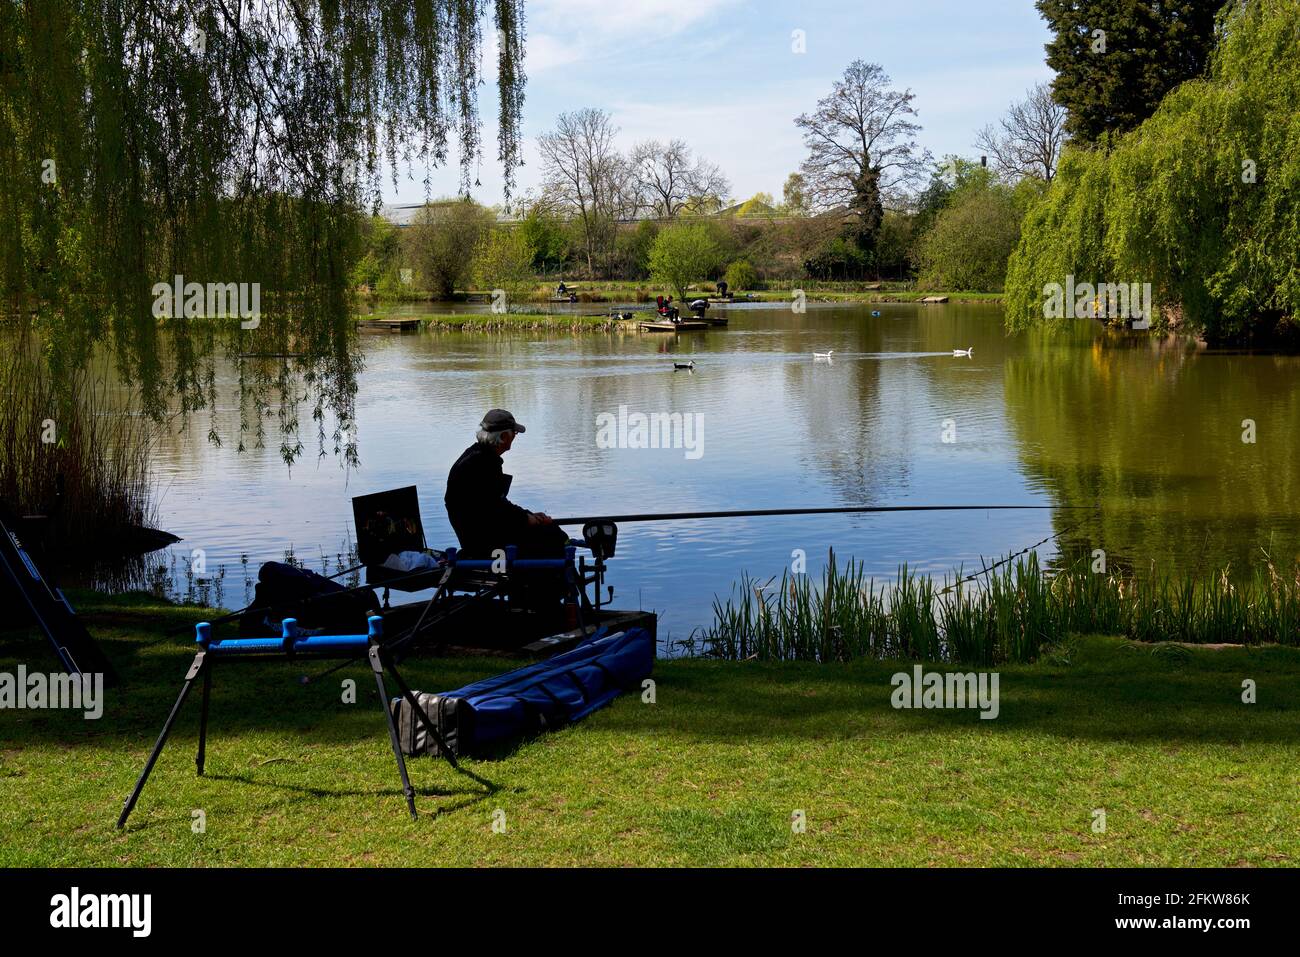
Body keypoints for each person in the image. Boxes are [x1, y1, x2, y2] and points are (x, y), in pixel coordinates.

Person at [444, 409, 568, 562]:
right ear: (503, 437)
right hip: (485, 543)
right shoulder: (484, 464)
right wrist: (526, 519)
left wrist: (529, 515)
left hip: (477, 536)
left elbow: (495, 504)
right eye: (514, 434)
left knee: (548, 530)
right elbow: (496, 509)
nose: (515, 437)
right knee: (553, 536)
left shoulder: (476, 455)